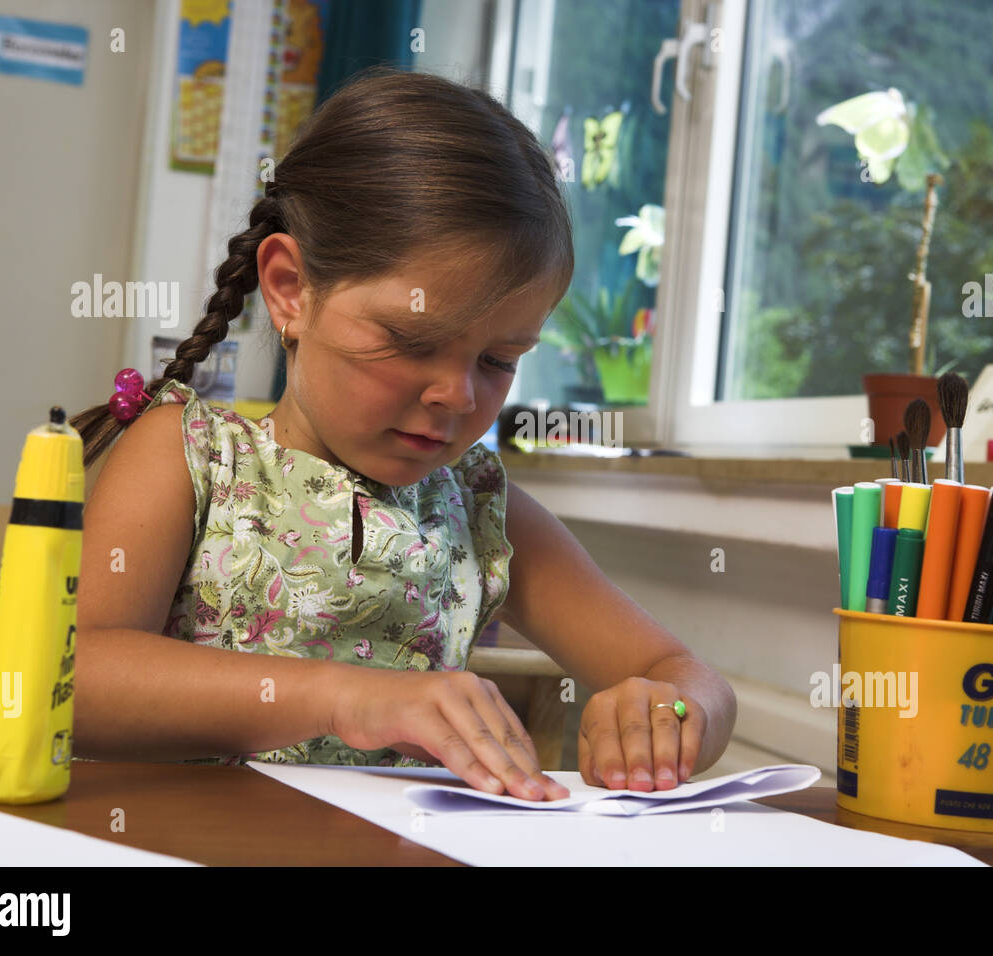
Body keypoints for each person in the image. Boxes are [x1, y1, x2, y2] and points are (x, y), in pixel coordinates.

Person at [70, 67, 734, 802]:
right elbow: (81, 677)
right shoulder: (187, 453)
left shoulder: (481, 507)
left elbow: (684, 673)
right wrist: (348, 697)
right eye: (414, 341)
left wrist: (671, 711)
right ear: (290, 289)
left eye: (498, 360)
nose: (457, 393)